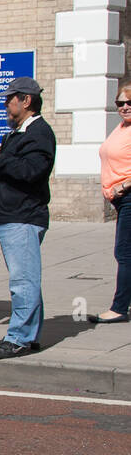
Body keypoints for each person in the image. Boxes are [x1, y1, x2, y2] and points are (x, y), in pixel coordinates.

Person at [0, 76, 56, 359]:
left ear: (26, 100)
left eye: (10, 99)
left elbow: (32, 171)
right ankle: (29, 335)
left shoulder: (39, 133)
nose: (6, 105)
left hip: (23, 216)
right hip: (11, 216)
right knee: (25, 277)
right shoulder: (17, 133)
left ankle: (19, 337)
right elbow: (10, 169)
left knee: (23, 280)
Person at [93, 80, 131, 324]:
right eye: (120, 102)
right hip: (121, 200)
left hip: (128, 196)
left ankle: (119, 308)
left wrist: (124, 186)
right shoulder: (121, 127)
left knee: (124, 252)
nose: (125, 107)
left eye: (130, 102)